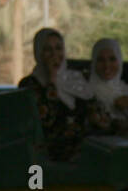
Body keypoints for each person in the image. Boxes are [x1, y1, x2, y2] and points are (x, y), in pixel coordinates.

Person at [19, 27, 106, 161]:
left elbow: (96, 110)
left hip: (88, 141)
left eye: (58, 48)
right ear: (38, 53)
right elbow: (46, 121)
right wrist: (51, 80)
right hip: (54, 147)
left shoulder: (76, 79)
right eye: (48, 50)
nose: (55, 54)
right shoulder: (30, 84)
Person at [87, 38, 128, 138]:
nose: (106, 65)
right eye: (100, 60)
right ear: (94, 62)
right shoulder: (85, 92)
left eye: (112, 59)